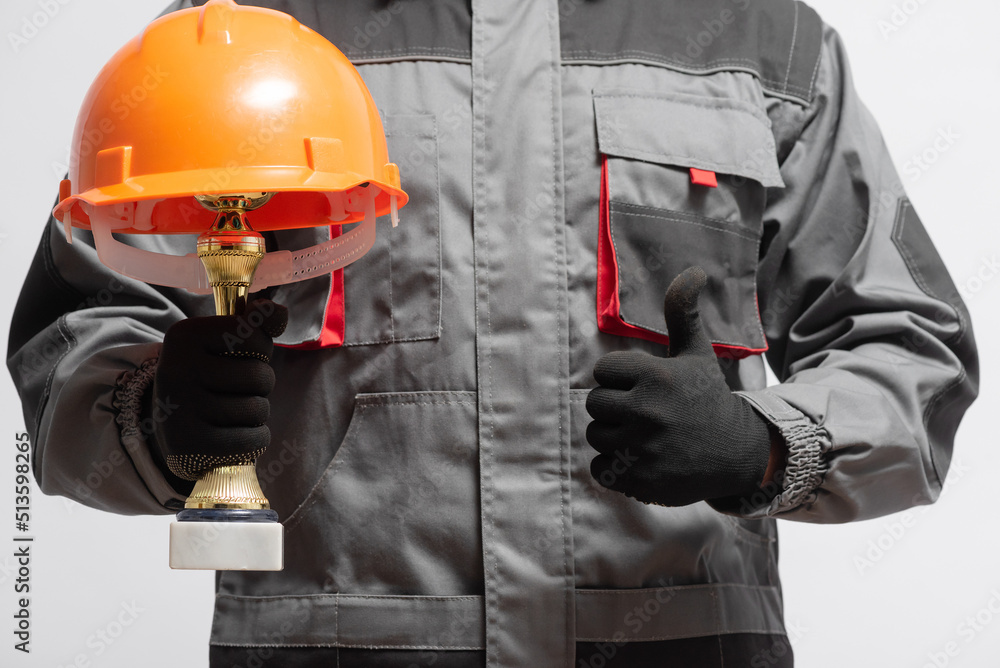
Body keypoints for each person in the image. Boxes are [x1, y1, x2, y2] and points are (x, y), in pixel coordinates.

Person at [7, 0, 978, 666]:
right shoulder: (239, 31)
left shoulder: (755, 34)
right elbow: (78, 331)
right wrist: (150, 414)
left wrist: (764, 442)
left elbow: (908, 342)